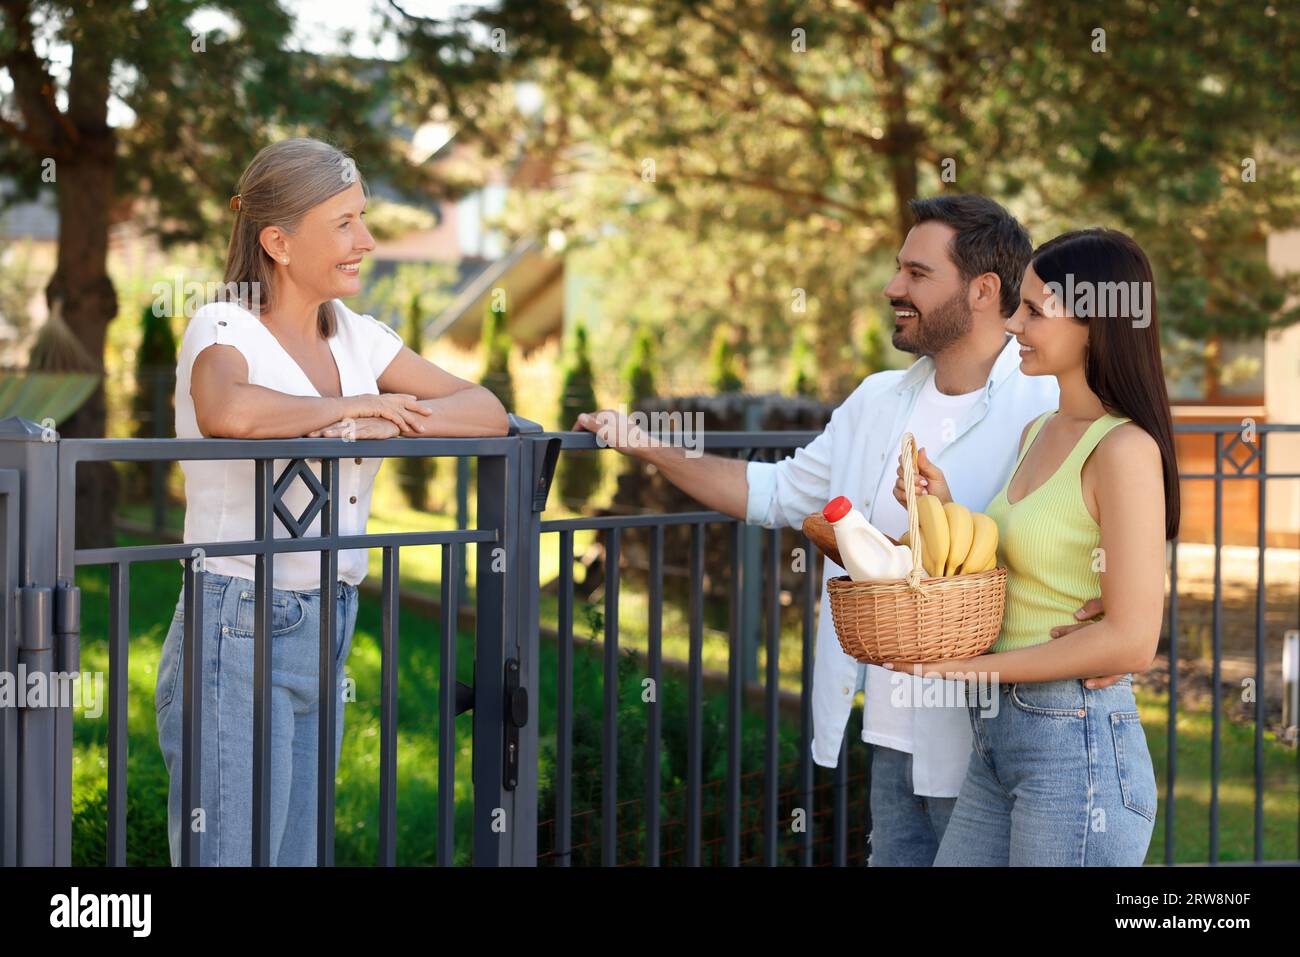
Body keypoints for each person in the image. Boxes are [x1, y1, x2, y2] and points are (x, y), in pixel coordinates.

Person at [572, 194, 1122, 865]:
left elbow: (1117, 492)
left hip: (993, 742)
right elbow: (771, 492)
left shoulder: (1046, 401)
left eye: (917, 274)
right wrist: (646, 445)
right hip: (892, 737)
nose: (894, 287)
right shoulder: (873, 402)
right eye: (898, 269)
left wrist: (1115, 601)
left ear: (982, 290)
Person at [154, 137, 509, 866]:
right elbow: (230, 409)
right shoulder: (224, 326)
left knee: (294, 855)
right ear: (278, 242)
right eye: (344, 222)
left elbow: (487, 412)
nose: (367, 240)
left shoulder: (360, 335)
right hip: (237, 616)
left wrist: (386, 413)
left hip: (329, 618)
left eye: (363, 218)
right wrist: (352, 408)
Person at [887, 228, 1175, 865]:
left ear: (1096, 325)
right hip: (998, 738)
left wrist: (962, 672)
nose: (1013, 323)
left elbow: (1130, 641)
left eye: (1035, 311)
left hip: (1075, 746)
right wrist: (942, 507)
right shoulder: (1038, 431)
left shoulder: (1123, 450)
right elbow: (1027, 568)